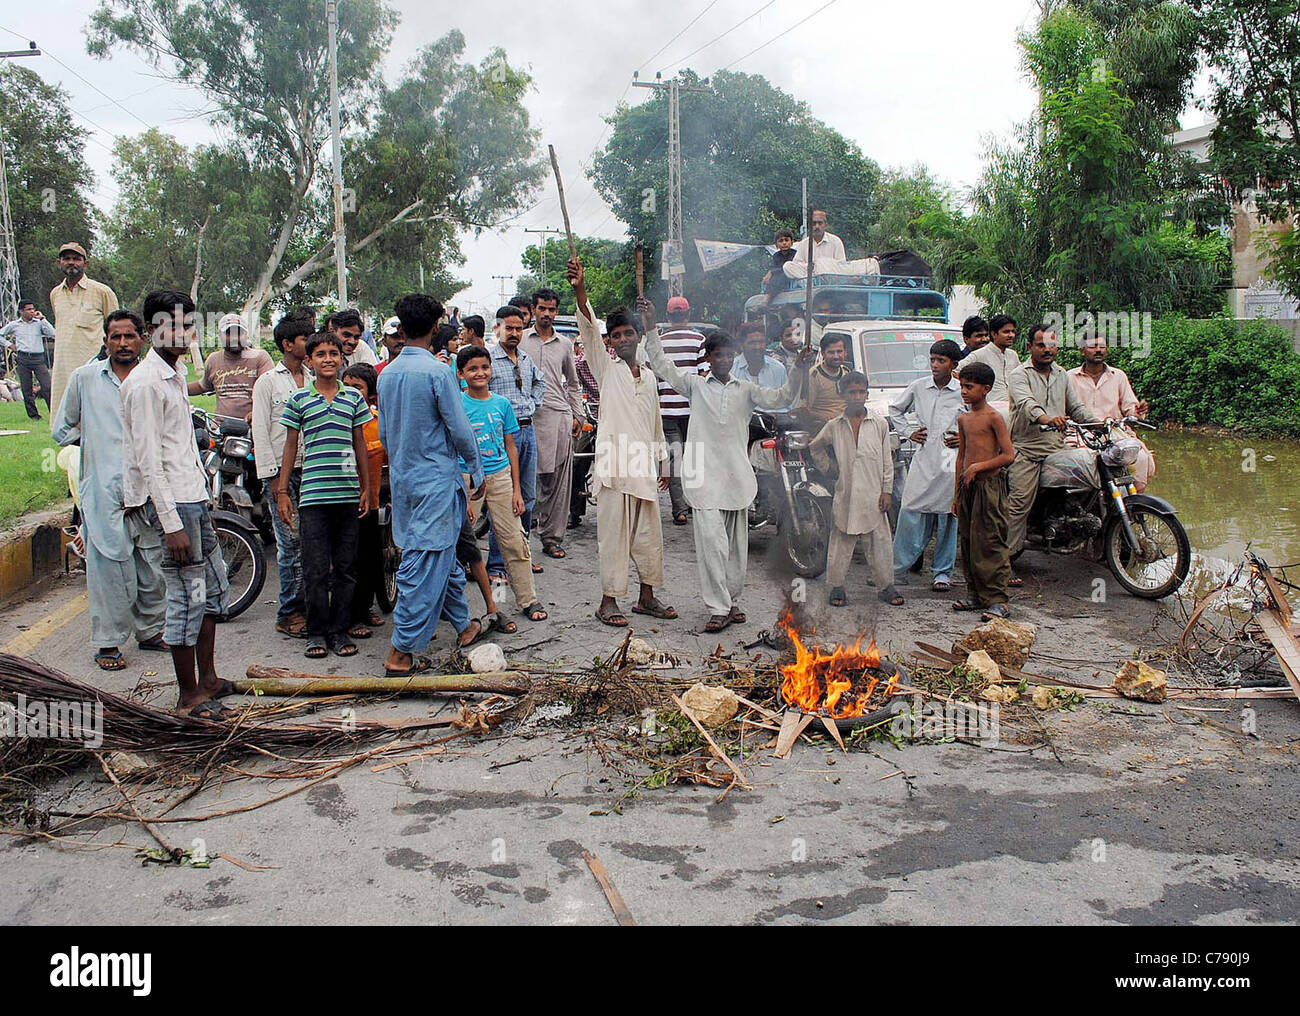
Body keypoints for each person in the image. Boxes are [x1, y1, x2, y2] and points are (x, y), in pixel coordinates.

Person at [643, 309, 810, 632]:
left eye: (728, 355)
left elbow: (783, 397)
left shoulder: (745, 390)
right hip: (703, 479)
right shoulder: (694, 385)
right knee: (711, 545)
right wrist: (651, 329)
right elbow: (662, 366)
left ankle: (731, 603)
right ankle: (717, 607)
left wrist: (798, 369)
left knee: (736, 550)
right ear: (708, 358)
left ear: (734, 357)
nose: (723, 360)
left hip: (736, 479)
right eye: (717, 355)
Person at [121, 290, 232, 719]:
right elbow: (148, 461)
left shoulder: (175, 372)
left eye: (188, 325)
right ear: (151, 330)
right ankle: (189, 696)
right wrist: (171, 524)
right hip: (170, 506)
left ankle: (208, 679)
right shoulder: (146, 383)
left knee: (211, 591)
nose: (183, 333)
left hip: (192, 497)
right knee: (186, 598)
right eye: (172, 325)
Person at [52, 309, 167, 670]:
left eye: (129, 336)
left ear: (142, 339)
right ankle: (107, 643)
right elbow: (62, 429)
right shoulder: (85, 379)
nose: (122, 343)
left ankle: (151, 632)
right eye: (115, 337)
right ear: (106, 341)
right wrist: (97, 440)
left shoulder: (155, 379)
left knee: (152, 567)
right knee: (108, 571)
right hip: (104, 491)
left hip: (149, 491)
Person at [378, 294, 486, 677]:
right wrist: (476, 469)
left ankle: (465, 625)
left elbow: (386, 434)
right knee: (424, 564)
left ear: (402, 329)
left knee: (440, 558)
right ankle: (400, 652)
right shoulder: (438, 373)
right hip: (437, 482)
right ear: (437, 327)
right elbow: (459, 429)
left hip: (406, 480)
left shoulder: (386, 374)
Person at [568, 257, 676, 627]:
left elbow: (656, 424)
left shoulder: (647, 376)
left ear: (637, 336)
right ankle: (608, 602)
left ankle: (647, 598)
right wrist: (581, 289)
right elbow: (586, 325)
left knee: (649, 539)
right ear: (610, 342)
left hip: (643, 470)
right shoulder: (604, 367)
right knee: (612, 540)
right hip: (614, 470)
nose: (623, 339)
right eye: (616, 335)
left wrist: (665, 462)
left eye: (629, 333)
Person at [276, 331, 372, 659]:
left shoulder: (353, 399)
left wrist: (366, 487)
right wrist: (282, 491)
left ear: (341, 358)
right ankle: (316, 632)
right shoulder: (299, 400)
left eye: (333, 353)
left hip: (347, 495)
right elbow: (291, 445)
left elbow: (359, 443)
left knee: (346, 567)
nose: (328, 358)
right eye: (321, 354)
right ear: (310, 360)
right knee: (315, 568)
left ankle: (339, 630)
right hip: (313, 496)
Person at [456, 344, 547, 623]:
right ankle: (459, 611)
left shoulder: (502, 404)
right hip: (468, 480)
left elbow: (511, 446)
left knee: (513, 542)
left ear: (491, 370)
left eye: (484, 367)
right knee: (459, 545)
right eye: (472, 369)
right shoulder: (457, 404)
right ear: (461, 374)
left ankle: (527, 600)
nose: (480, 373)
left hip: (501, 477)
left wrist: (517, 490)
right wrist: (461, 491)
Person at [1005, 325, 1100, 563]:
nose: (1047, 350)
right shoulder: (1019, 374)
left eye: (1052, 345)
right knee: (1019, 504)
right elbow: (1027, 404)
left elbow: (1076, 408)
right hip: (1027, 449)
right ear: (1029, 347)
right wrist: (1046, 418)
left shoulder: (1062, 375)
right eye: (1041, 345)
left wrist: (1098, 423)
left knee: (1089, 480)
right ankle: (1004, 560)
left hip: (1057, 447)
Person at [810, 372, 903, 608]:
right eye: (852, 392)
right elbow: (815, 447)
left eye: (861, 392)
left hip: (874, 493)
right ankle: (836, 586)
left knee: (880, 542)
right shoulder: (835, 425)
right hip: (847, 492)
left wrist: (887, 491)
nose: (857, 396)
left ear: (867, 394)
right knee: (841, 541)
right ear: (843, 394)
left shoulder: (879, 423)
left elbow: (886, 460)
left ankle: (886, 586)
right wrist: (830, 469)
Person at [253, 313, 313, 638]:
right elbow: (260, 433)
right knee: (289, 544)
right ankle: (288, 613)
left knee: (309, 543)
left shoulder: (314, 378)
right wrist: (276, 483)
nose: (311, 342)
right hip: (281, 475)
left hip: (312, 471)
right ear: (288, 344)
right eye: (305, 338)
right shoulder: (268, 382)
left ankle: (305, 607)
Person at [889, 339, 964, 592]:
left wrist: (965, 439)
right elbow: (895, 409)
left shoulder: (962, 390)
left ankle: (942, 573)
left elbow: (976, 417)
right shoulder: (919, 387)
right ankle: (897, 568)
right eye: (932, 359)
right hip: (923, 459)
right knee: (910, 511)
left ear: (954, 364)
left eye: (940, 360)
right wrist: (909, 432)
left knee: (947, 517)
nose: (934, 365)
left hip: (950, 462)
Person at [520, 287, 583, 559]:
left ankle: (552, 538)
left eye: (551, 309)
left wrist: (577, 415)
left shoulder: (565, 344)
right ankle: (519, 542)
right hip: (526, 418)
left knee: (558, 482)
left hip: (559, 416)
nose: (547, 314)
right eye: (542, 308)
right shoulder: (519, 340)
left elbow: (573, 383)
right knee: (526, 479)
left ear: (557, 311)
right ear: (533, 309)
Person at [951, 361, 1016, 619]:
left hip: (989, 487)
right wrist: (956, 493)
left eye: (969, 387)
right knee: (968, 541)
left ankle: (998, 599)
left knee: (990, 541)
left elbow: (1008, 455)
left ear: (986, 389)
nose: (964, 391)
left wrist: (979, 467)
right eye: (962, 386)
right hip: (968, 488)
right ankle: (975, 594)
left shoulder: (994, 418)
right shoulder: (964, 418)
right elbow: (961, 457)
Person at [486, 304, 545, 581]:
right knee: (504, 501)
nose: (514, 333)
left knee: (528, 498)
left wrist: (532, 404)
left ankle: (521, 556)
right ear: (497, 328)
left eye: (519, 328)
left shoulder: (525, 358)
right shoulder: (487, 359)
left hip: (527, 431)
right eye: (508, 328)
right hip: (500, 438)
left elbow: (539, 383)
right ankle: (498, 564)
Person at [1067, 333, 1154, 491]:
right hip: (1080, 433)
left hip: (1114, 431)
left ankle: (1135, 502)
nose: (1098, 350)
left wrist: (1138, 411)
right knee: (1084, 462)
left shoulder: (1118, 376)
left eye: (1102, 347)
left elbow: (1131, 409)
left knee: (1139, 458)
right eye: (1093, 347)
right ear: (1082, 351)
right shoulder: (1069, 377)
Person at [342, 363, 387, 636]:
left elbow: (388, 457)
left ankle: (365, 609)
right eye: (346, 386)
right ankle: (349, 616)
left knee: (370, 559)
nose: (351, 392)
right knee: (346, 561)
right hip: (341, 499)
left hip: (371, 500)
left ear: (369, 392)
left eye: (357, 387)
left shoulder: (377, 420)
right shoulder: (335, 416)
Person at [48, 242, 119, 417]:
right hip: (63, 369)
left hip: (94, 367)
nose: (71, 262)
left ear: (85, 264)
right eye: (66, 259)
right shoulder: (55, 294)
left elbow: (118, 329)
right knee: (67, 421)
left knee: (96, 417)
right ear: (59, 262)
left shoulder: (102, 292)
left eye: (76, 259)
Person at [656, 296, 706, 526]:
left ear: (668, 316)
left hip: (666, 411)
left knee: (675, 459)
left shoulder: (660, 342)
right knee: (693, 457)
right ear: (688, 314)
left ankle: (679, 509)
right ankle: (693, 502)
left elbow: (654, 378)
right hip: (692, 410)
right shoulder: (699, 340)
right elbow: (704, 376)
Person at [189, 312, 273, 422]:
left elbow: (270, 389)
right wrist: (177, 386)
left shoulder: (260, 358)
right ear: (220, 336)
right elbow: (202, 386)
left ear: (246, 335)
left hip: (253, 427)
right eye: (229, 333)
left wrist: (256, 413)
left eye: (239, 333)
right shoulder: (213, 360)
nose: (234, 338)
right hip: (220, 427)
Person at [568, 331, 605, 529]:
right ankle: (575, 511)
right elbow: (571, 384)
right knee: (578, 461)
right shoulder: (581, 362)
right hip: (592, 415)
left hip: (617, 416)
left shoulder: (616, 359)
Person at [0, 300, 56, 419]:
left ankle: (54, 412)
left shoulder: (39, 323)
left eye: (33, 309)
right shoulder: (15, 325)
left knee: (47, 386)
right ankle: (34, 415)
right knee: (26, 388)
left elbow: (53, 334)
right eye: (29, 309)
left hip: (38, 358)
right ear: (21, 311)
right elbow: (1, 334)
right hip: (23, 357)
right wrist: (9, 345)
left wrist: (43, 319)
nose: (32, 311)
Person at [782, 210, 879, 278]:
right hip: (809, 277)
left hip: (831, 276)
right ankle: (814, 280)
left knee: (823, 264)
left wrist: (824, 265)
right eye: (814, 223)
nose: (817, 226)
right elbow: (797, 265)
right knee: (787, 266)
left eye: (820, 223)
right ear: (810, 225)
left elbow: (841, 266)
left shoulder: (836, 241)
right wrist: (812, 267)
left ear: (825, 225)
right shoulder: (804, 244)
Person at [956, 313, 1020, 413]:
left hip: (1012, 410)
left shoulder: (1013, 355)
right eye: (1006, 332)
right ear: (994, 334)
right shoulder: (979, 354)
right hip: (990, 410)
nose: (1011, 335)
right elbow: (955, 372)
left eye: (1012, 331)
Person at [798, 330, 852, 428]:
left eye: (839, 351)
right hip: (822, 428)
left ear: (845, 352)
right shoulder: (814, 375)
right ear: (823, 353)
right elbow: (803, 410)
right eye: (831, 352)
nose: (836, 356)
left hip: (845, 425)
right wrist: (825, 417)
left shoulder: (846, 372)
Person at [733, 319, 789, 391]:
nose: (757, 347)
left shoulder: (778, 369)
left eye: (761, 342)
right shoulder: (731, 370)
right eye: (752, 342)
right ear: (741, 345)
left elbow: (785, 400)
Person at [762, 227, 797, 302]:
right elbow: (775, 267)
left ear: (791, 243)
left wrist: (771, 272)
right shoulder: (776, 255)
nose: (784, 243)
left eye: (786, 240)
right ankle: (768, 299)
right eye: (781, 241)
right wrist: (769, 274)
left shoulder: (794, 254)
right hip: (778, 280)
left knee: (781, 275)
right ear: (776, 245)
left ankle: (766, 300)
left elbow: (786, 268)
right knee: (774, 277)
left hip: (791, 279)